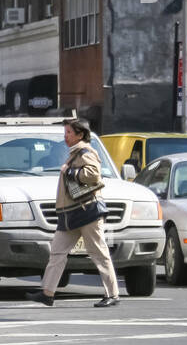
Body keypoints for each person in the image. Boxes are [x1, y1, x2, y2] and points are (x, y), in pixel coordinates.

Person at [27, 118, 120, 308]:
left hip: (87, 212)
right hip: (71, 214)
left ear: (80, 134)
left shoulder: (85, 152)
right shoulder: (75, 152)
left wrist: (71, 173)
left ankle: (112, 294)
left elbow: (94, 174)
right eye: (66, 132)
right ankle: (47, 293)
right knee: (57, 252)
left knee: (98, 253)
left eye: (69, 132)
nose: (65, 136)